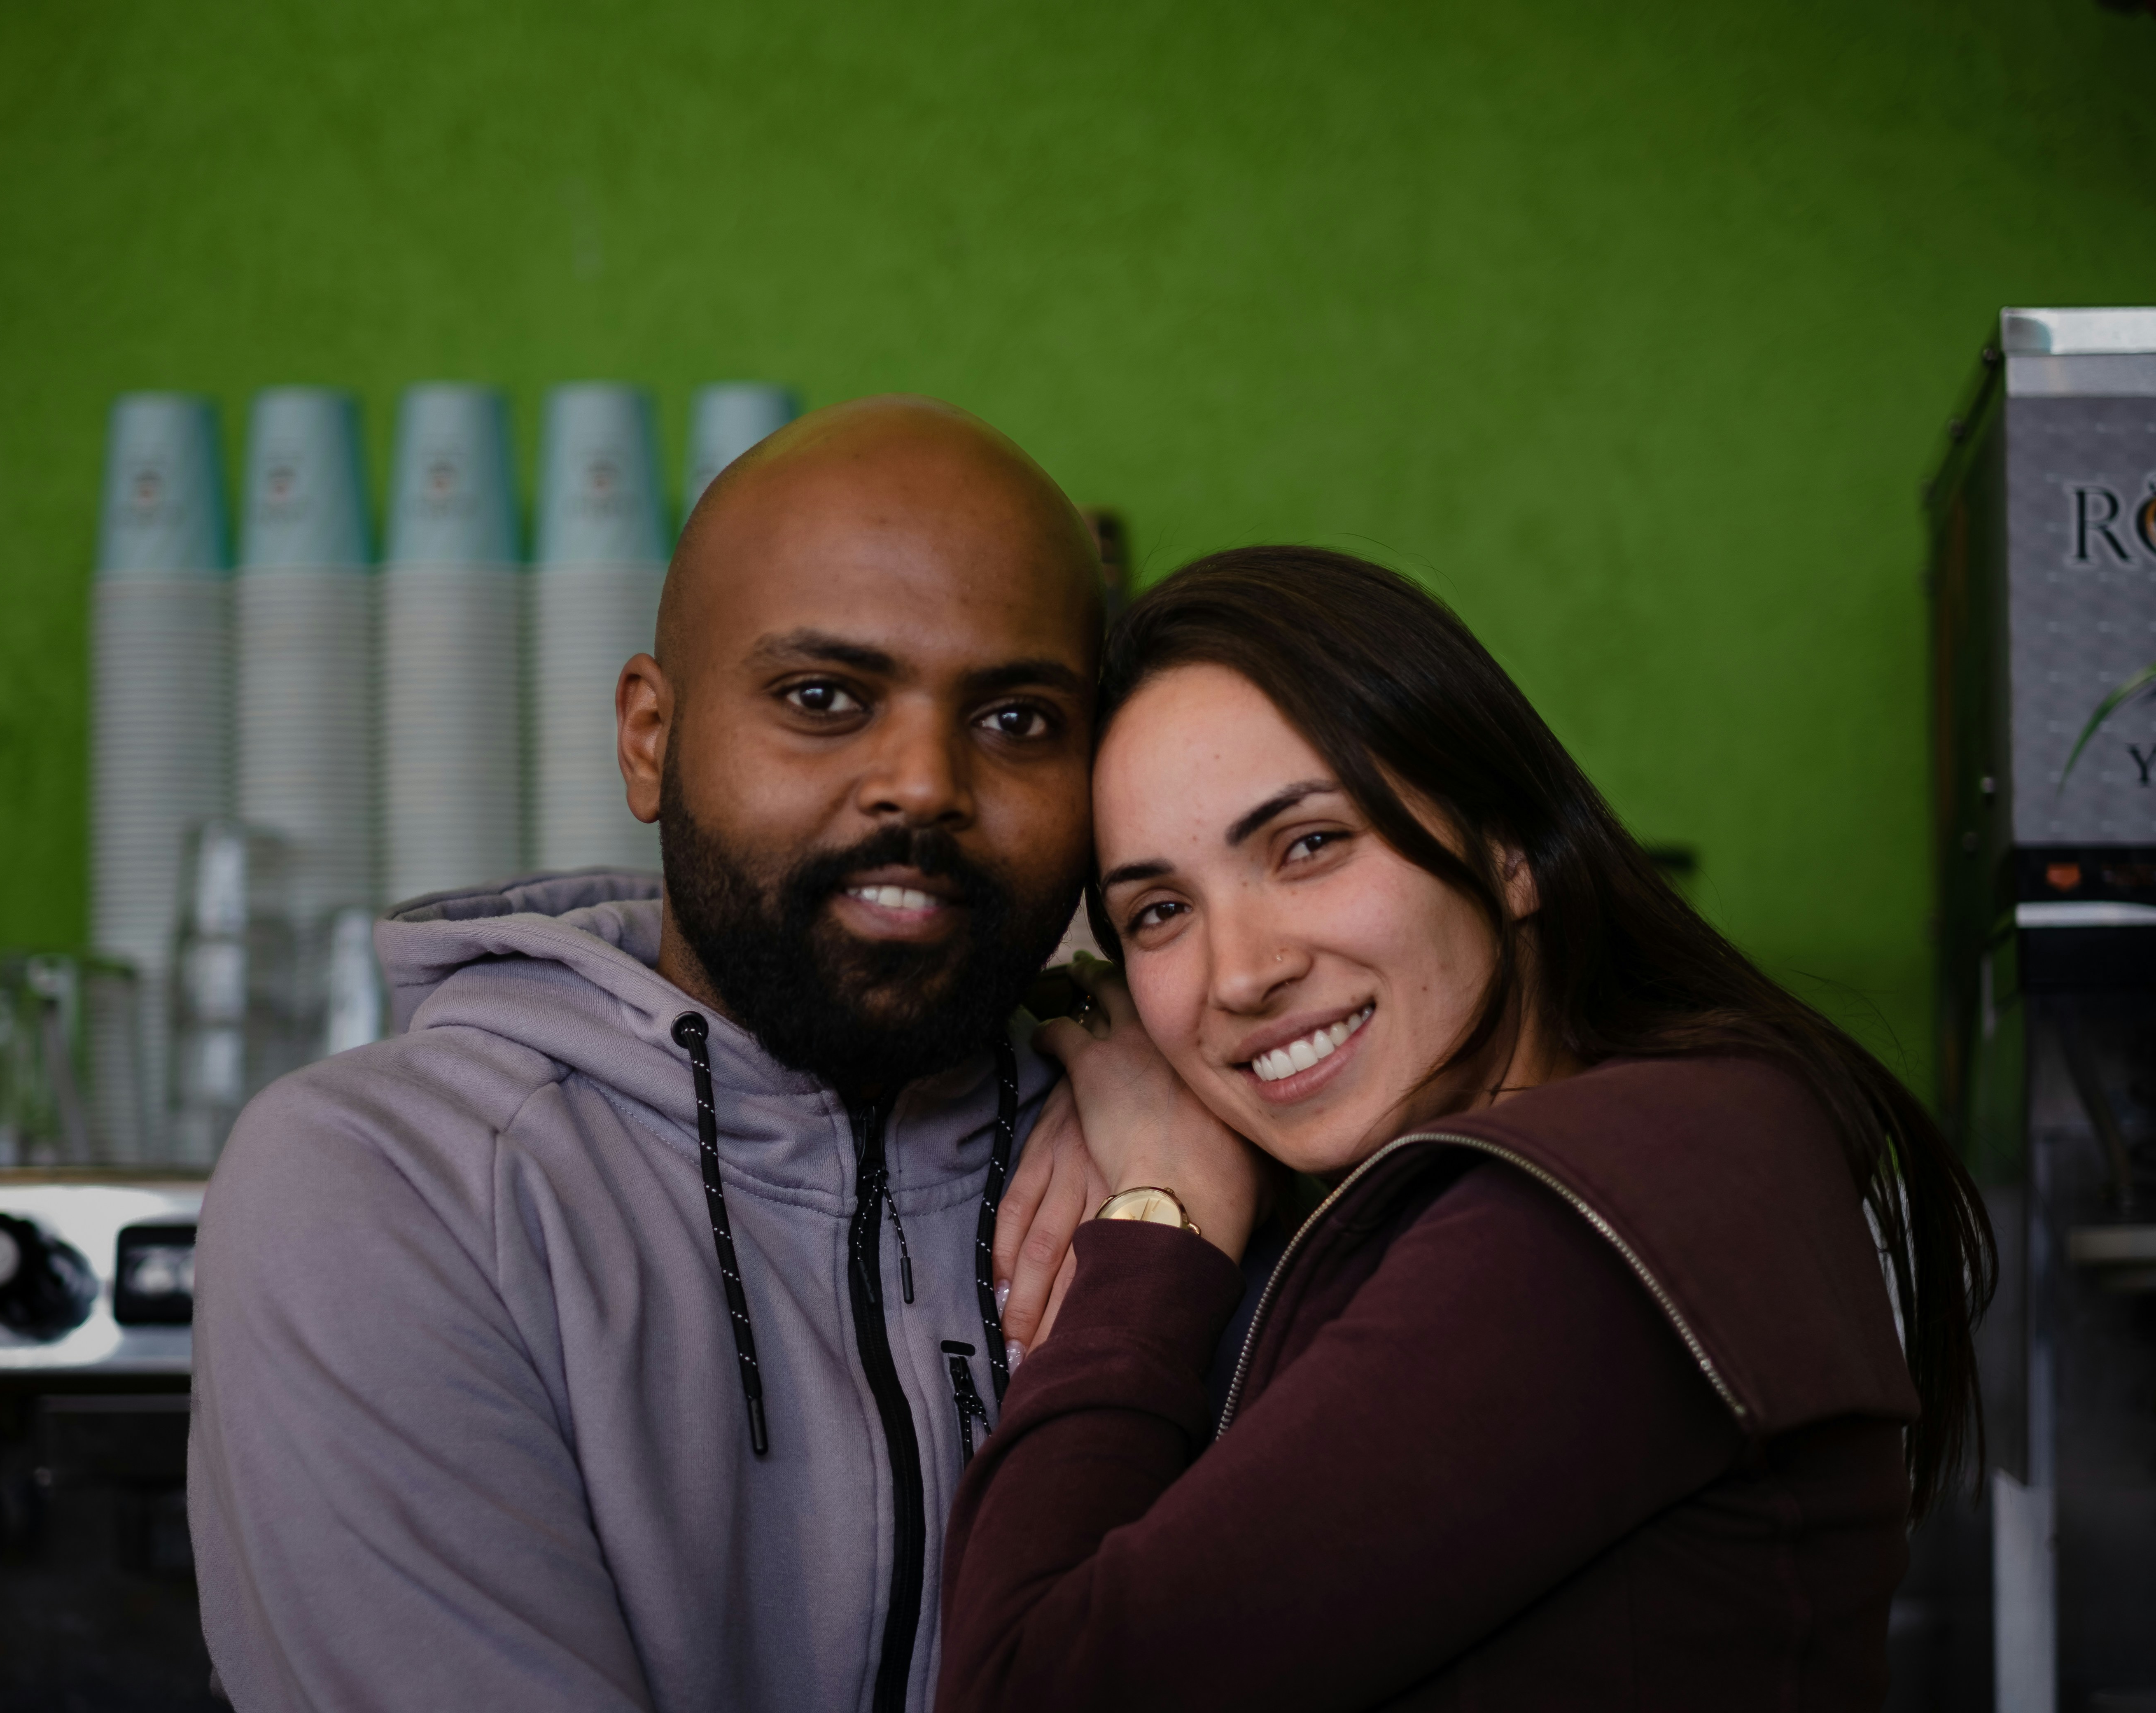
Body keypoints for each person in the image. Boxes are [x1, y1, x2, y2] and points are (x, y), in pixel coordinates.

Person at [938, 546, 1995, 1710]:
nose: (1240, 975)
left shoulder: (1592, 1218)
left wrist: (1159, 1218)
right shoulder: (1667, 1141)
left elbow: (1029, 1691)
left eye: (1308, 845)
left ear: (1510, 848)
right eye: (1161, 912)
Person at [188, 396, 1111, 1711]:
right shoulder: (391, 1183)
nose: (923, 783)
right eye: (822, 697)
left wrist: (1154, 1138)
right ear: (650, 737)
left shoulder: (1177, 1163)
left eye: (1017, 721)